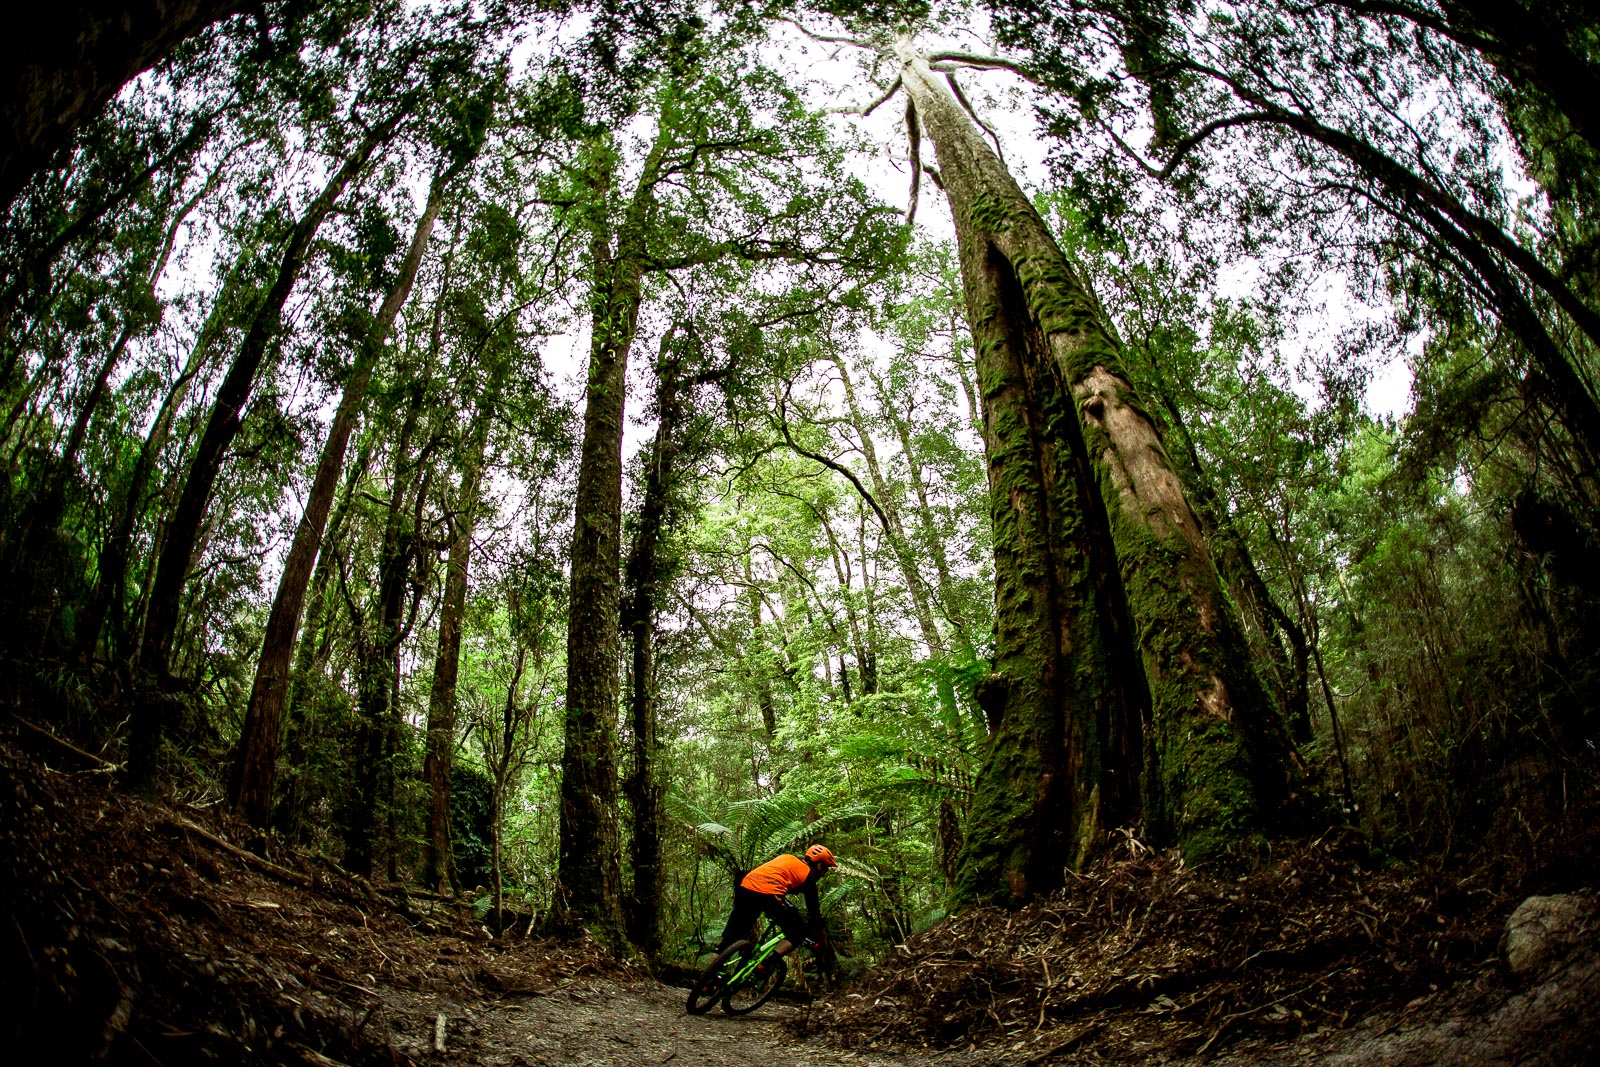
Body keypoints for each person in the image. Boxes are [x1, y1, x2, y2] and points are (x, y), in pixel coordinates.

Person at [719, 844, 837, 960]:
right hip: (769, 893)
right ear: (820, 865)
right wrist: (822, 939)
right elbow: (814, 913)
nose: (823, 874)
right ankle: (766, 964)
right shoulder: (809, 875)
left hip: (745, 887)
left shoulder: (787, 857)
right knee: (799, 931)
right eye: (825, 870)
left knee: (734, 935)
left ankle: (710, 974)